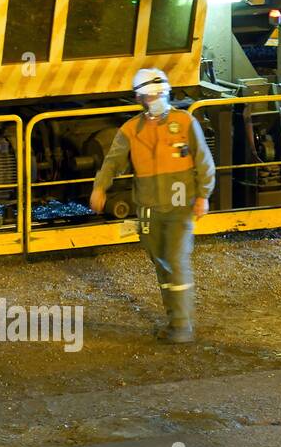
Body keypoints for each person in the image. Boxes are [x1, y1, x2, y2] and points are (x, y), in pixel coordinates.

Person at [90, 69, 216, 344]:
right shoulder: (130, 130)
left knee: (174, 260)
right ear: (139, 98)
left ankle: (181, 327)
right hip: (148, 208)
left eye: (161, 94)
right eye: (151, 95)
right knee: (161, 263)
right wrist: (100, 187)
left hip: (179, 207)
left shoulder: (185, 122)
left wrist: (203, 195)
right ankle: (175, 321)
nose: (157, 99)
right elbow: (113, 162)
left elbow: (204, 161)